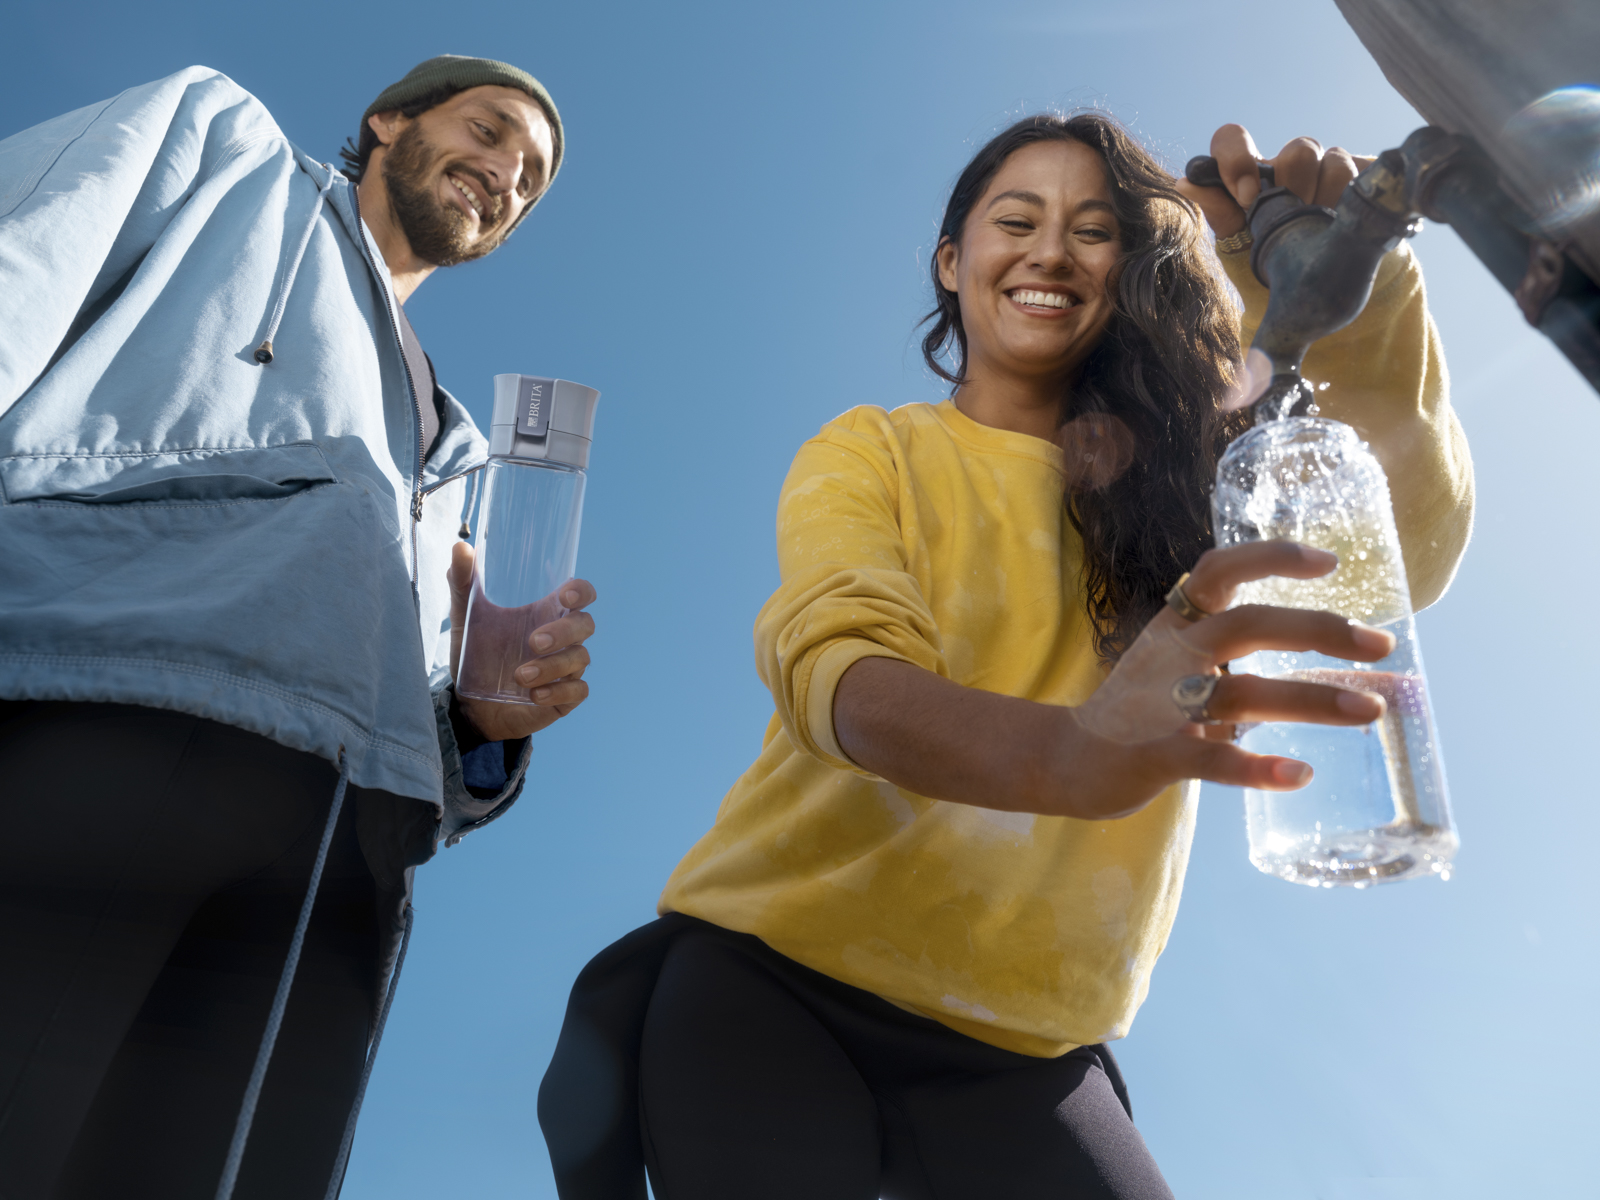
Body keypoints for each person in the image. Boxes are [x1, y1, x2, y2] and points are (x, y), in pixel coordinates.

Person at [537, 114, 1473, 1198]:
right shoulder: (875, 448)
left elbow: (1395, 554)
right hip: (774, 977)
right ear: (952, 261)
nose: (1048, 253)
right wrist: (1063, 751)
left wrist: (1354, 287)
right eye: (1015, 220)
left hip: (1034, 1044)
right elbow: (837, 666)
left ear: (1131, 273)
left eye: (1092, 230)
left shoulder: (1191, 493)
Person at [0, 56, 597, 1200]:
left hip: (348, 847)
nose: (506, 173)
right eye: (489, 131)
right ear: (388, 121)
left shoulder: (455, 455)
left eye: (529, 178)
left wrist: (478, 718)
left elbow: (435, 715)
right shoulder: (221, 148)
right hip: (109, 704)